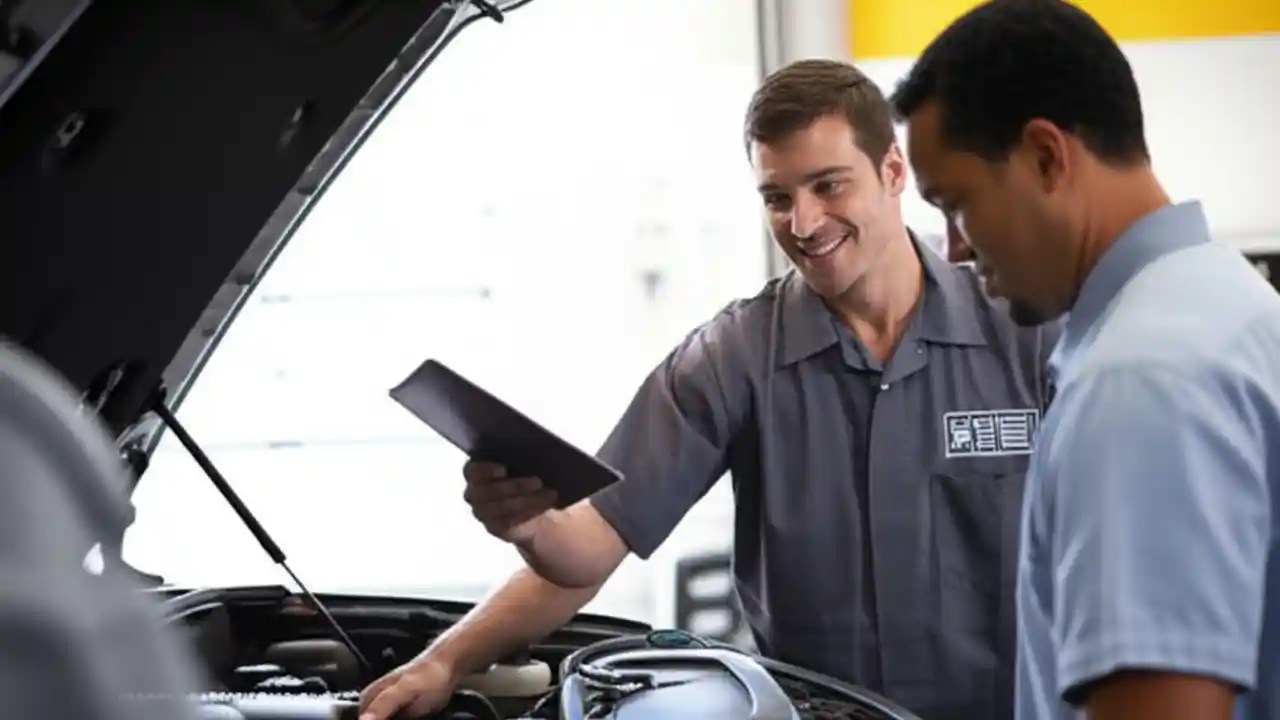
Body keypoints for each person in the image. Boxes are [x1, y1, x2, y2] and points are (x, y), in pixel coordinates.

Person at [360, 58, 1059, 720]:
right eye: (777, 197)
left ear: (893, 171)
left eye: (829, 185)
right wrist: (492, 588)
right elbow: (587, 549)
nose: (804, 223)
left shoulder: (1028, 331)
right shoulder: (735, 358)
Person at [889, 1, 1280, 719]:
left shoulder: (1141, 381)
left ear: (1046, 156)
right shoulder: (1230, 308)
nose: (955, 250)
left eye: (956, 203)